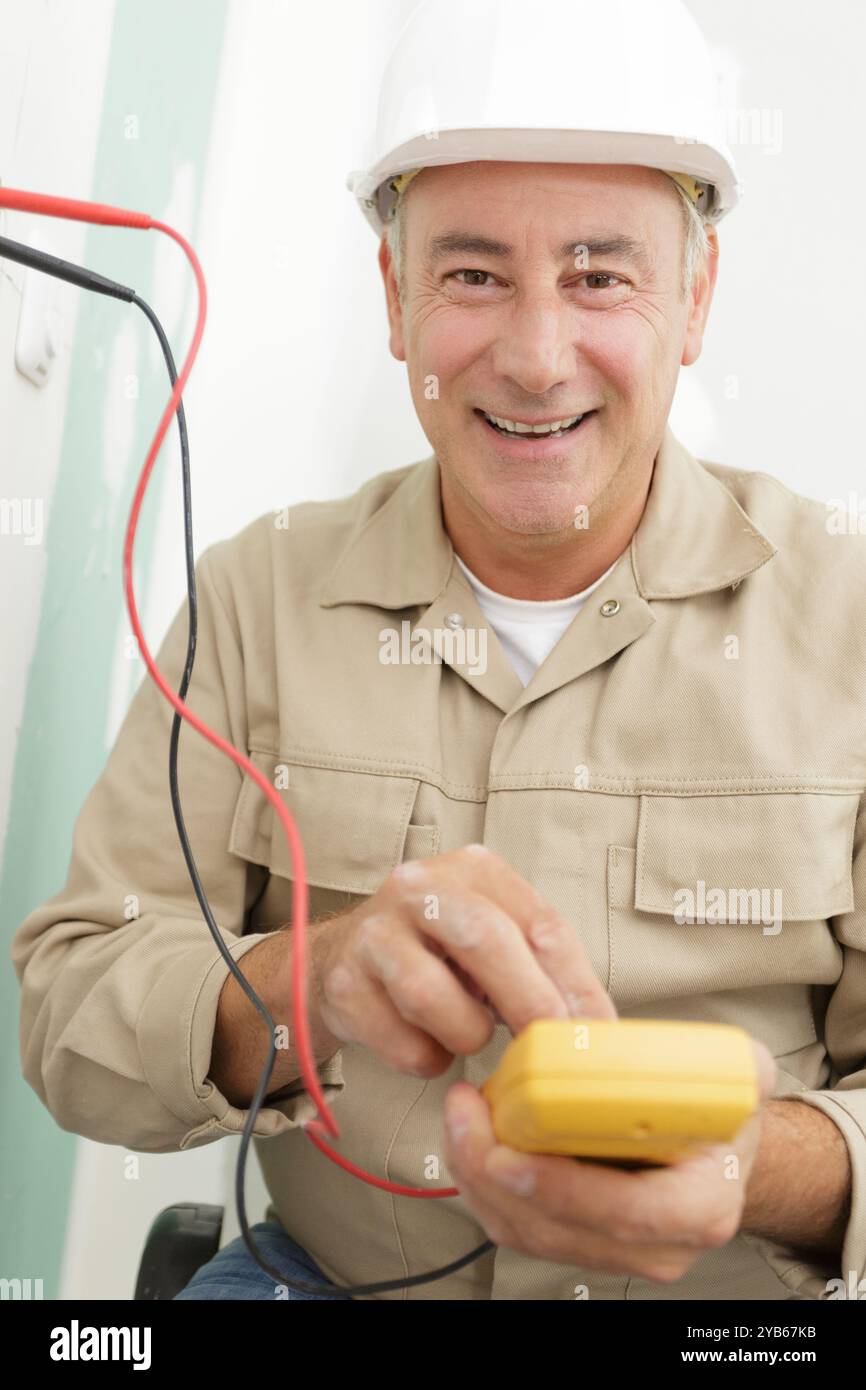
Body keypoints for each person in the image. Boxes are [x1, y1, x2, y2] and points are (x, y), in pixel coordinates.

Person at [12, 0, 865, 1301]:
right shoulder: (255, 597)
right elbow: (70, 1010)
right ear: (395, 299)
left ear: (693, 296)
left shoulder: (847, 619)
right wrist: (301, 990)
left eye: (599, 274)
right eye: (470, 273)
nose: (532, 357)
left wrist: (762, 1165)